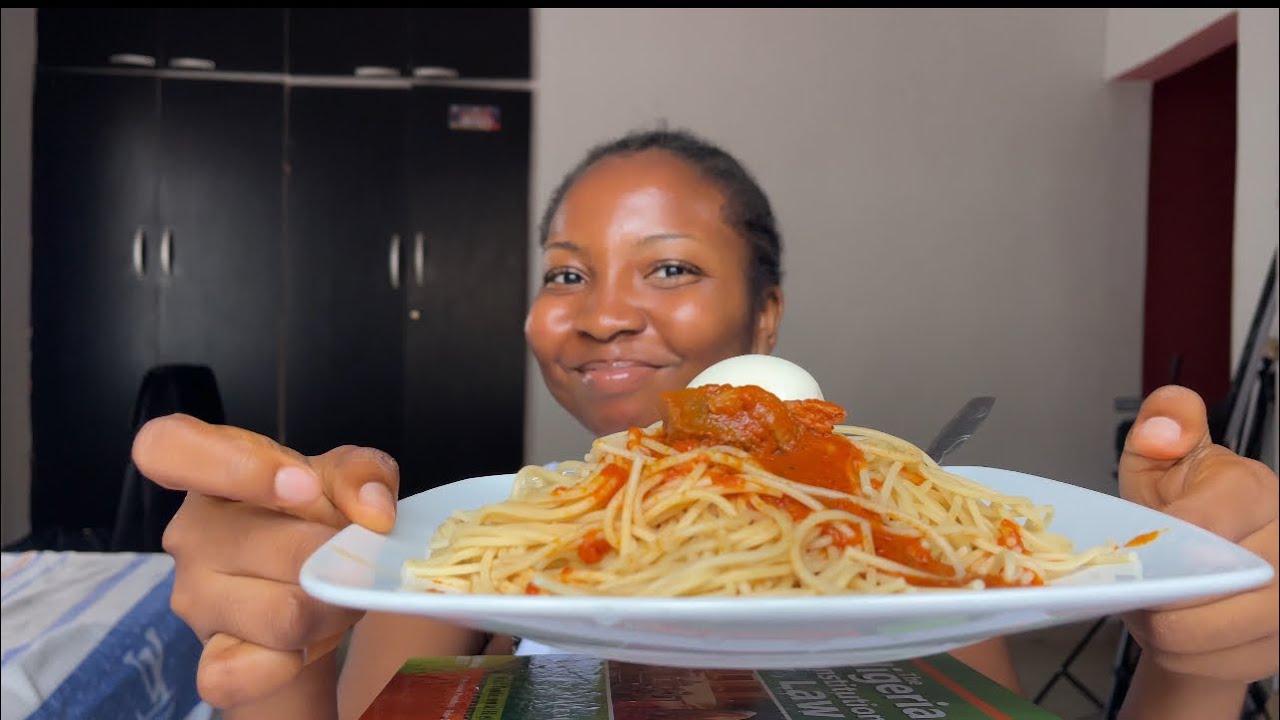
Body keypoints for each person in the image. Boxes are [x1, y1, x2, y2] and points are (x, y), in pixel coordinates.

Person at [133, 128, 1279, 720]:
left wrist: (1191, 664)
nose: (601, 313)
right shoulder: (471, 550)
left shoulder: (902, 542)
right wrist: (282, 671)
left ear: (763, 314)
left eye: (669, 267)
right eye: (565, 272)